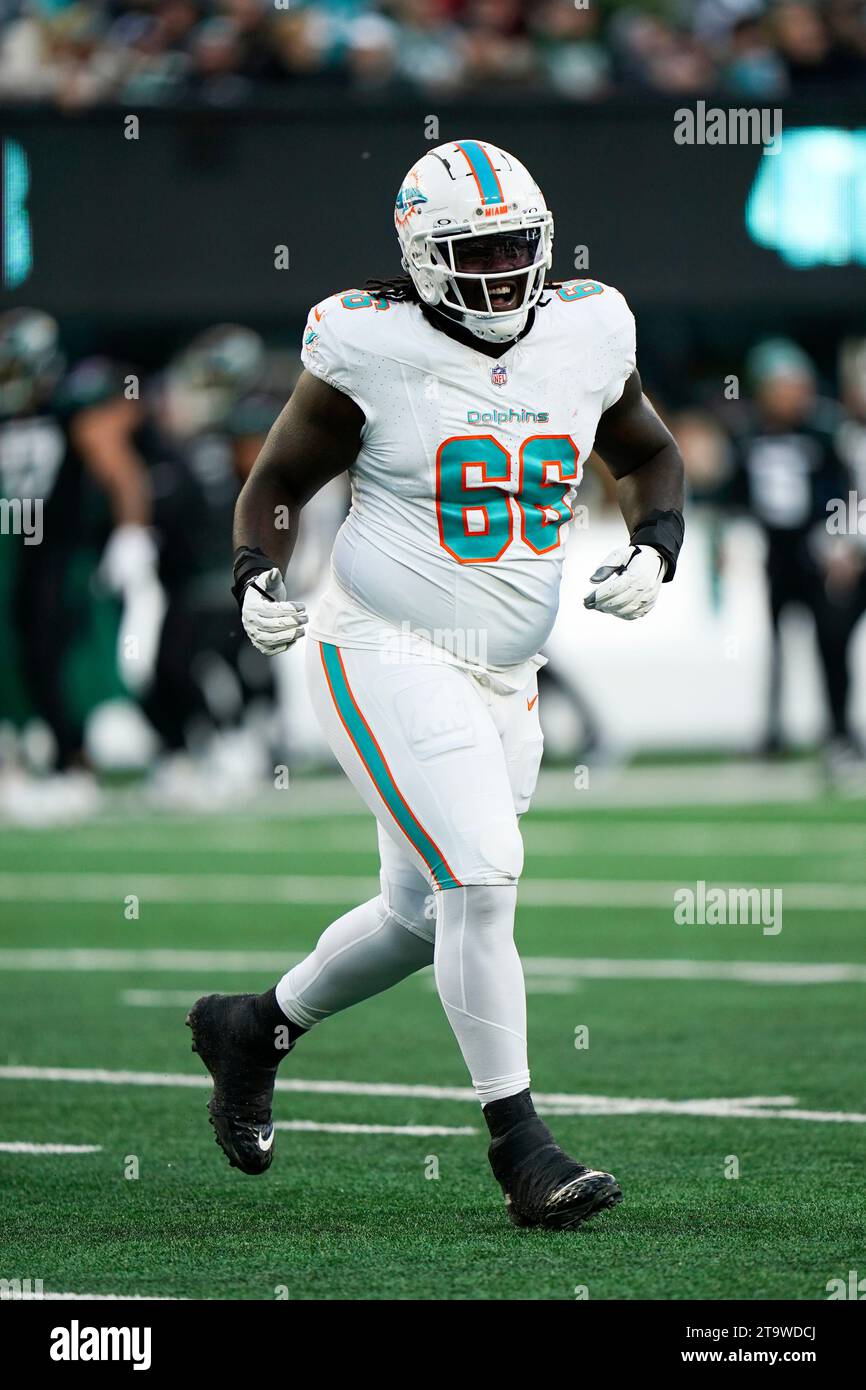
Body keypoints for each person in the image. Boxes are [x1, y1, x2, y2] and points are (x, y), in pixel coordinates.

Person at [188, 139, 685, 1230]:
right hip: (383, 644)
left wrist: (656, 544)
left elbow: (647, 450)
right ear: (418, 256)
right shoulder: (367, 341)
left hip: (506, 669)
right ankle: (522, 1148)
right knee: (481, 877)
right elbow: (276, 479)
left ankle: (252, 1027)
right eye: (477, 253)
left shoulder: (588, 327)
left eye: (517, 249)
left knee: (420, 914)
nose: (504, 275)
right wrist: (253, 570)